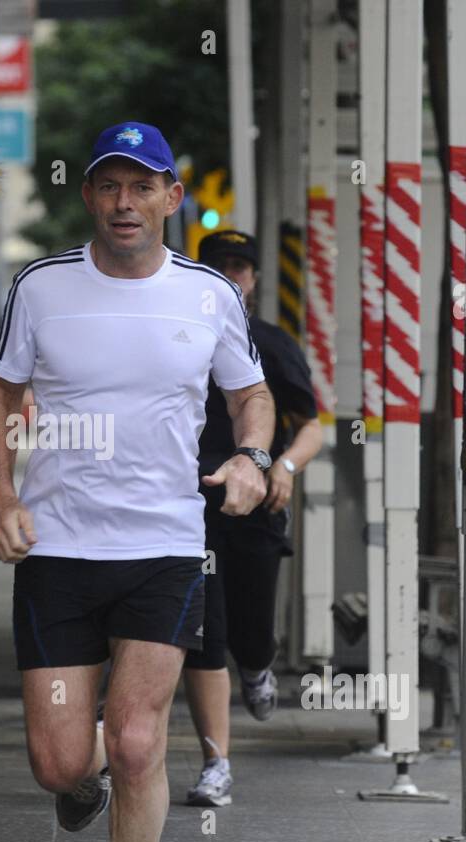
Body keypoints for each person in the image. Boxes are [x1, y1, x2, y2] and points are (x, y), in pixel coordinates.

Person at [0, 122, 276, 842]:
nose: (125, 202)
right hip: (58, 549)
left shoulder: (209, 295)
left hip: (164, 548)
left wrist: (253, 457)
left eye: (143, 186)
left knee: (138, 742)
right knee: (58, 760)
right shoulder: (40, 286)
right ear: (88, 195)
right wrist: (1, 497)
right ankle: (81, 779)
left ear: (172, 197)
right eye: (109, 185)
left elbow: (253, 395)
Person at [181, 229, 323, 807]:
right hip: (191, 506)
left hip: (258, 504)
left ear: (255, 277)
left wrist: (284, 466)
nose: (232, 276)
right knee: (206, 637)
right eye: (220, 266)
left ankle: (259, 668)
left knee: (252, 632)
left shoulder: (272, 342)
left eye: (241, 266)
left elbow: (310, 424)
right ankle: (217, 763)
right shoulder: (182, 333)